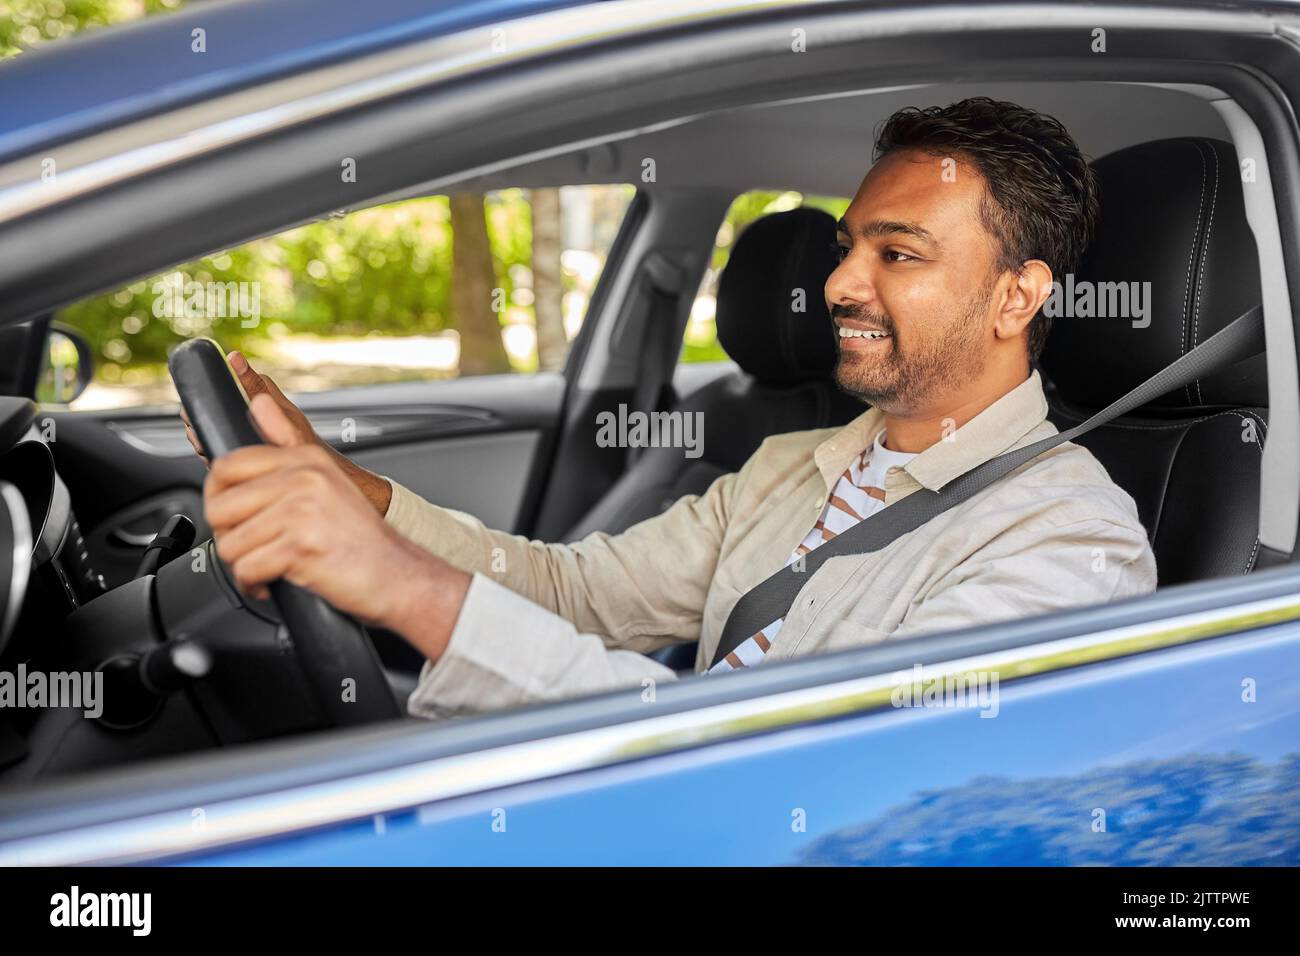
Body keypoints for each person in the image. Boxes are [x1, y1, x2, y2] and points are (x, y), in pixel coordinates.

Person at [186, 97, 1156, 720]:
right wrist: (356, 496)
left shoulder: (1066, 539)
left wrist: (411, 592)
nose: (839, 284)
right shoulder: (791, 466)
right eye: (847, 246)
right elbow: (573, 596)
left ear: (1016, 296)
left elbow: (830, 781)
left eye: (896, 253)